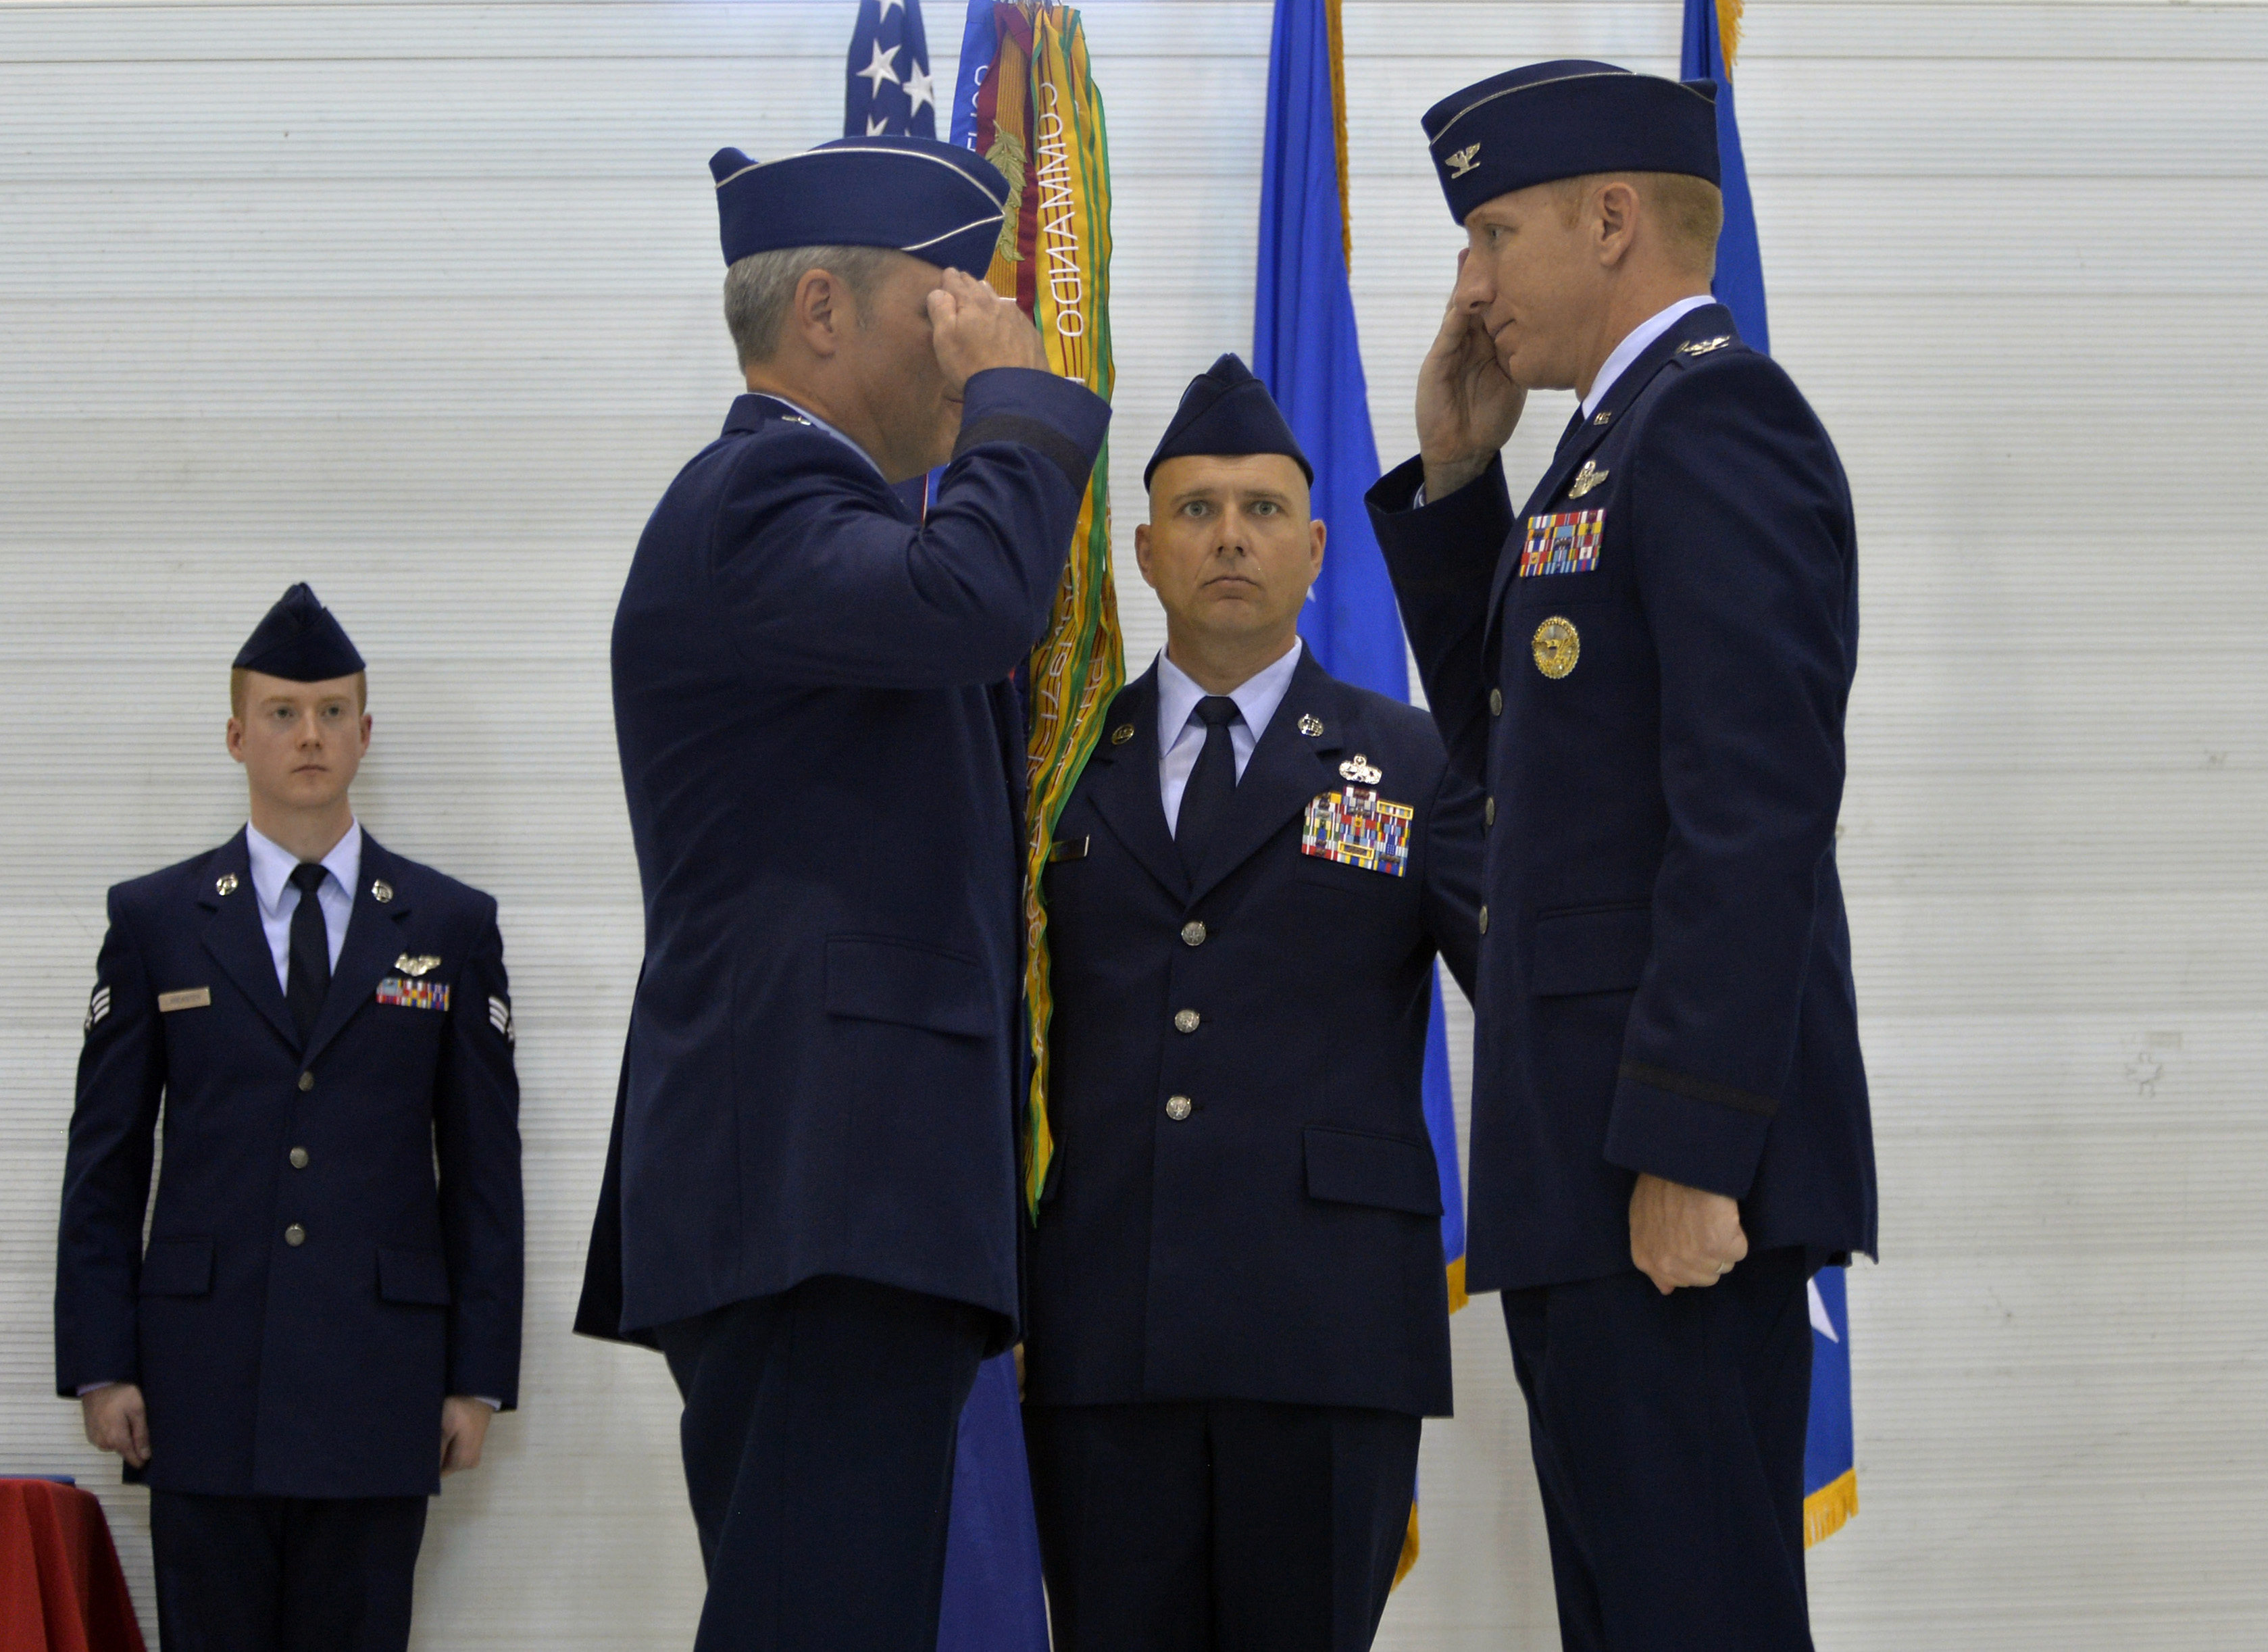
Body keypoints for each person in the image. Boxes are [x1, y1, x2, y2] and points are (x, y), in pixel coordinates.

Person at [1365, 61, 1880, 1651]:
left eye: (1492, 231)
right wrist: (1460, 487)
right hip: (1583, 1158)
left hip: (1661, 1167)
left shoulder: (1716, 415)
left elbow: (1757, 801)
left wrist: (1695, 1140)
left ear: (1608, 222)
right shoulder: (1607, 445)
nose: (1471, 286)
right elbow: (1526, 760)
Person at [573, 134, 1111, 1652]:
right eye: (945, 302)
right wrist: (1029, 404)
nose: (973, 337)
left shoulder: (833, 523)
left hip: (854, 1189)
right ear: (822, 307)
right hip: (816, 1184)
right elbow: (979, 601)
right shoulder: (755, 501)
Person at [1018, 355, 1483, 1652]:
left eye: (1265, 509)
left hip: (1325, 1329)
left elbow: (1524, 979)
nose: (1231, 534)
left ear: (1318, 545)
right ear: (1146, 547)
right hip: (1106, 1329)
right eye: (1200, 508)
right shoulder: (1059, 770)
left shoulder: (1412, 760)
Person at [54, 584, 523, 1652]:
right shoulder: (157, 920)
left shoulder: (449, 924)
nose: (307, 734)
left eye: (329, 711)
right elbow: (107, 1157)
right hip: (199, 1379)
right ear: (235, 734)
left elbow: (485, 1167)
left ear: (366, 731)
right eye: (280, 712)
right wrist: (101, 1359)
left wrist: (477, 1374)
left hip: (379, 1382)